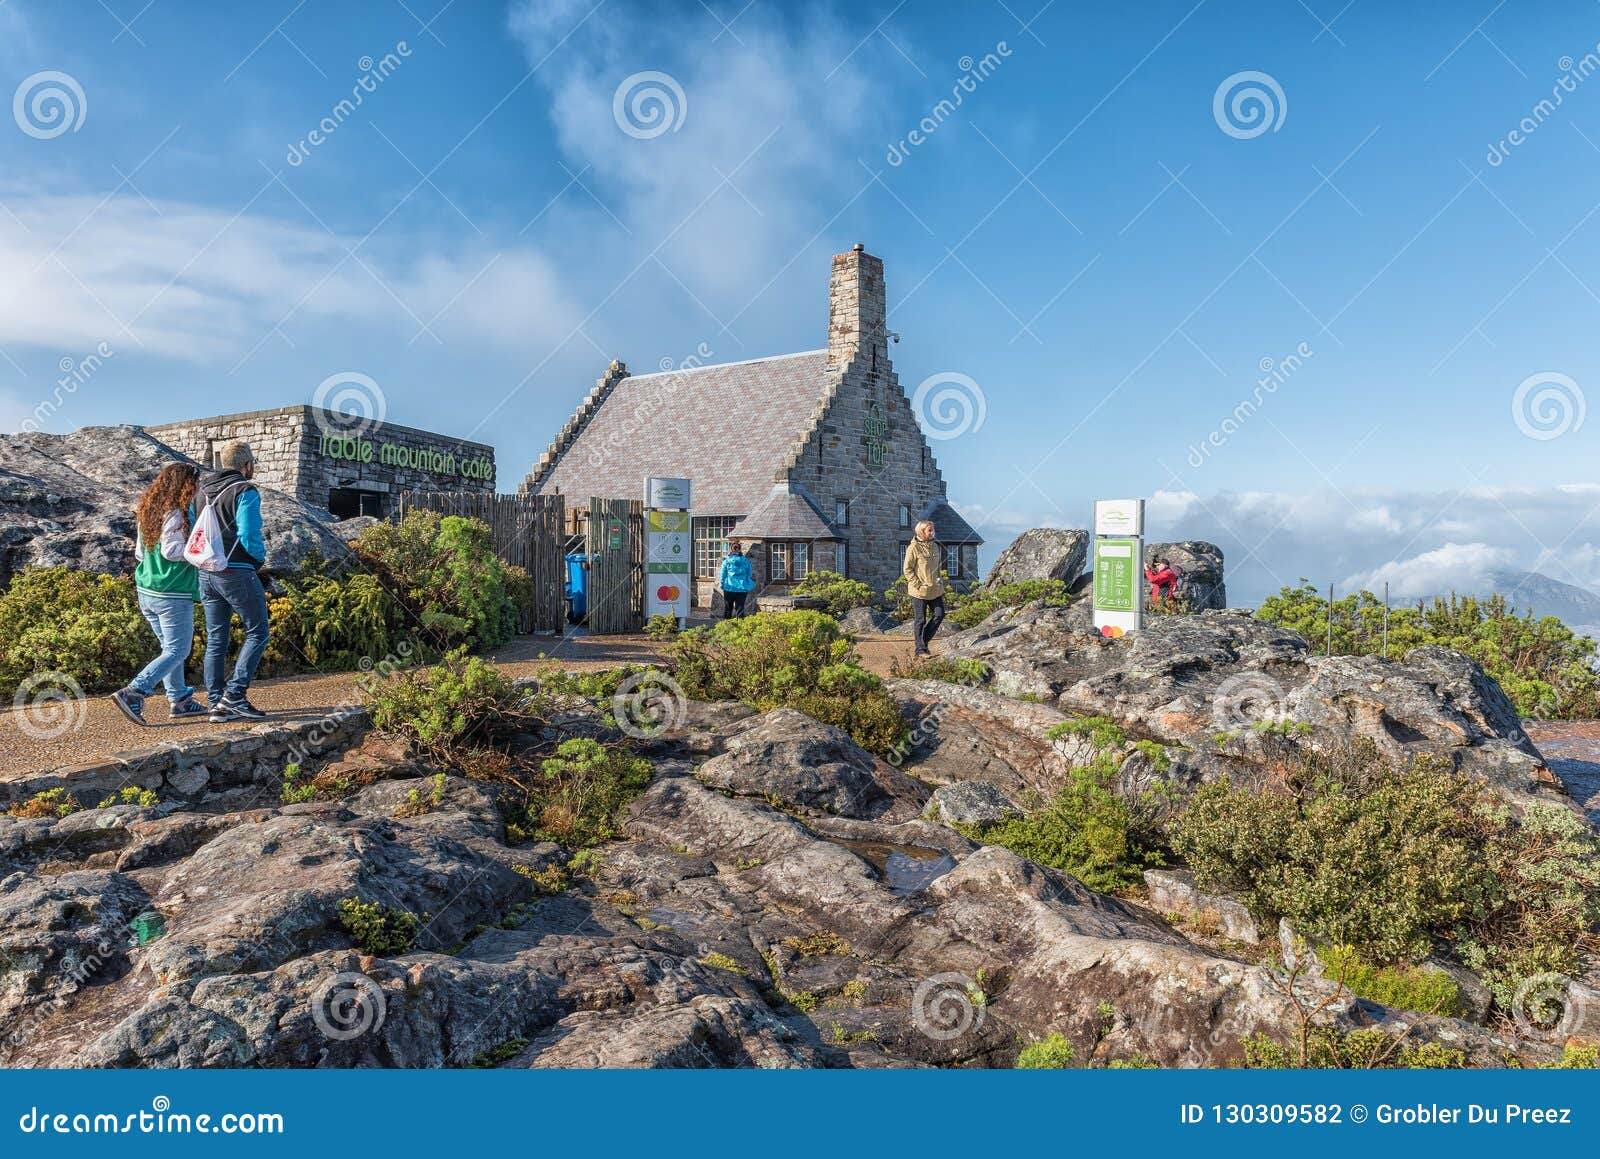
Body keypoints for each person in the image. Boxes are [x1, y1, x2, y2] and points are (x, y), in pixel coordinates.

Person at [111, 463, 207, 724]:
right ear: (185, 485)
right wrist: (198, 551)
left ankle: (179, 700)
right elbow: (172, 552)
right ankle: (135, 691)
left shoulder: (147, 511)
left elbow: (141, 553)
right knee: (178, 650)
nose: (198, 488)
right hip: (171, 593)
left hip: (146, 589)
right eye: (195, 483)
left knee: (169, 648)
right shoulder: (176, 512)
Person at [195, 441, 271, 722]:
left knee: (216, 636)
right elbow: (249, 532)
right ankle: (235, 695)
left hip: (206, 571)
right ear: (246, 465)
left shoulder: (201, 492)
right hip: (236, 569)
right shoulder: (245, 490)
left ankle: (216, 702)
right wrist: (257, 560)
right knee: (258, 631)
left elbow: (196, 529)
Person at [903, 519, 945, 657]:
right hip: (919, 591)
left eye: (933, 530)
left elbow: (937, 567)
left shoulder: (934, 546)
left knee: (939, 614)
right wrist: (918, 585)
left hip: (935, 590)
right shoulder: (913, 548)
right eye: (930, 530)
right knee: (920, 620)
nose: (932, 532)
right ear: (921, 531)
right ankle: (920, 650)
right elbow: (907, 569)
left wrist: (940, 581)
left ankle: (923, 642)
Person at [717, 539, 755, 619]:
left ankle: (726, 626)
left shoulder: (726, 561)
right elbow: (749, 573)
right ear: (740, 549)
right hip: (742, 588)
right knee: (740, 608)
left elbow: (723, 574)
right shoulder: (745, 561)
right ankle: (740, 627)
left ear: (731, 549)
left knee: (728, 608)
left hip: (729, 587)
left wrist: (722, 583)